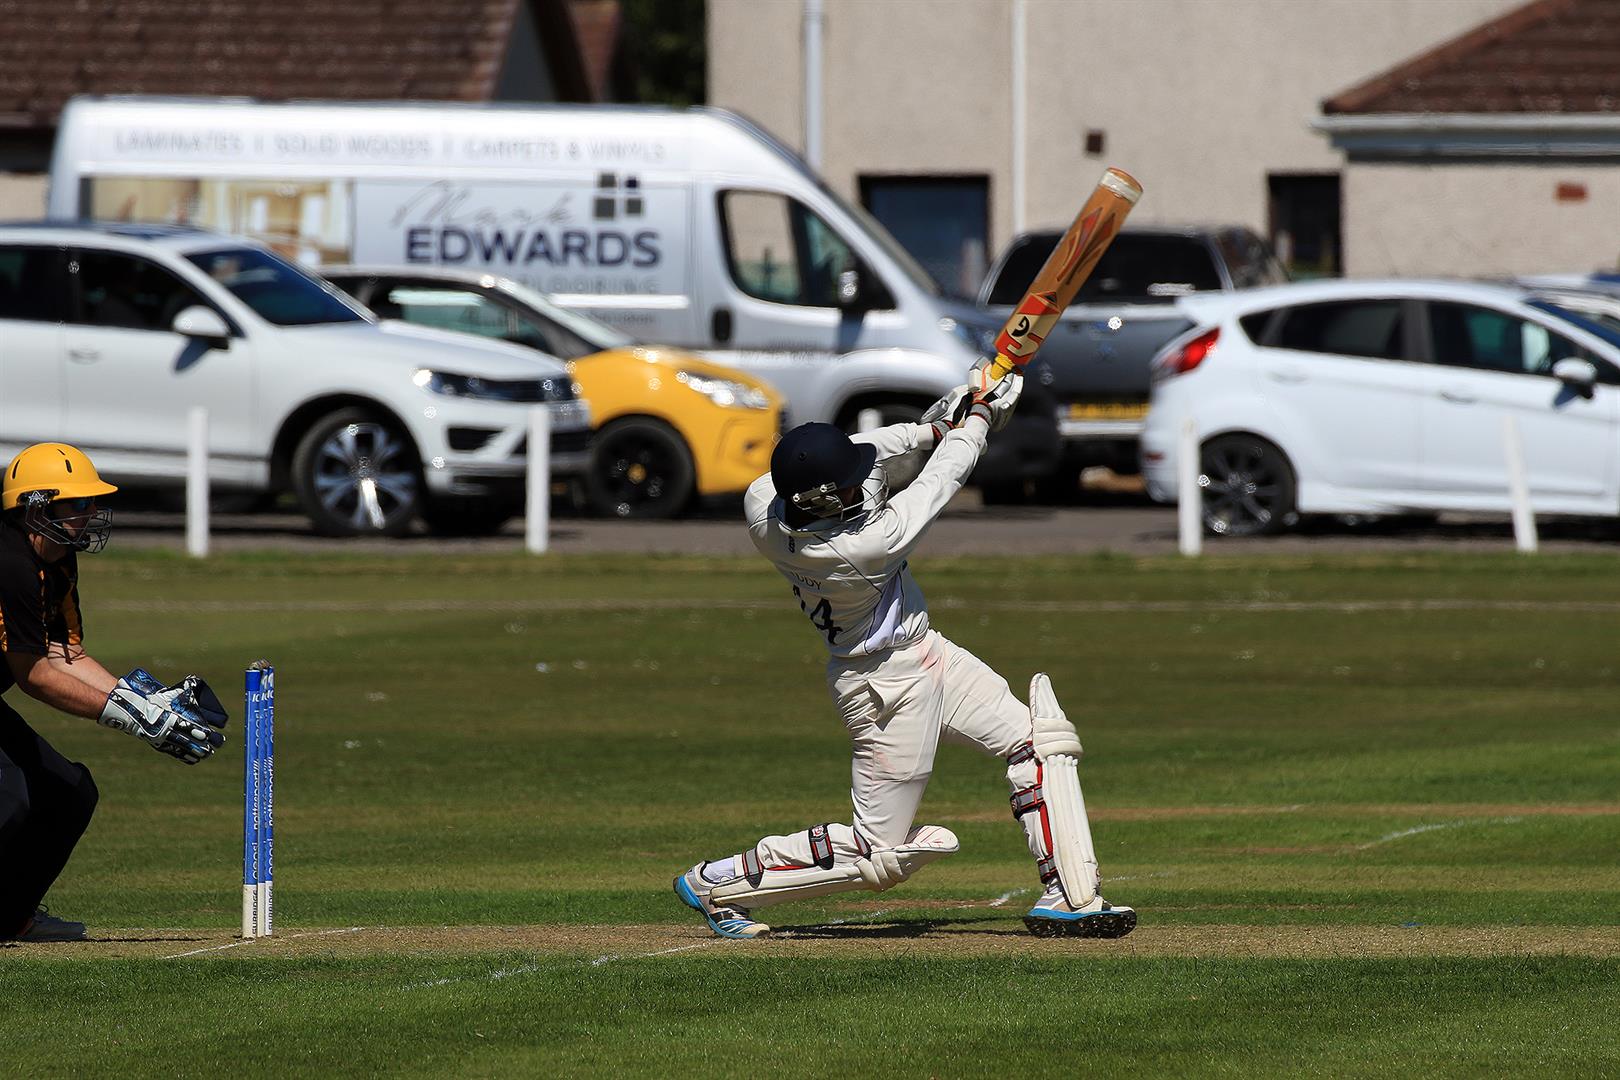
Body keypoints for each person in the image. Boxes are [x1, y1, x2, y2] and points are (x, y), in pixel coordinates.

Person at [673, 373, 1136, 939]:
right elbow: (940, 480)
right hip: (883, 687)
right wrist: (975, 423)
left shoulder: (763, 503)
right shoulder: (863, 546)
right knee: (878, 853)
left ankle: (1068, 895)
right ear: (820, 499)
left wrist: (934, 426)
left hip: (928, 652)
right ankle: (716, 883)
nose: (853, 487)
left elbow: (869, 458)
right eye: (839, 488)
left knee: (1039, 743)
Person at [0, 443, 228, 943]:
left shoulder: (56, 557)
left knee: (69, 792)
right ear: (37, 505)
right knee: (9, 800)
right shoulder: (10, 562)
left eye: (92, 504)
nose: (90, 514)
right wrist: (127, 717)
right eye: (77, 504)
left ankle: (10, 915)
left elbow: (64, 650)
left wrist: (145, 703)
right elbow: (33, 674)